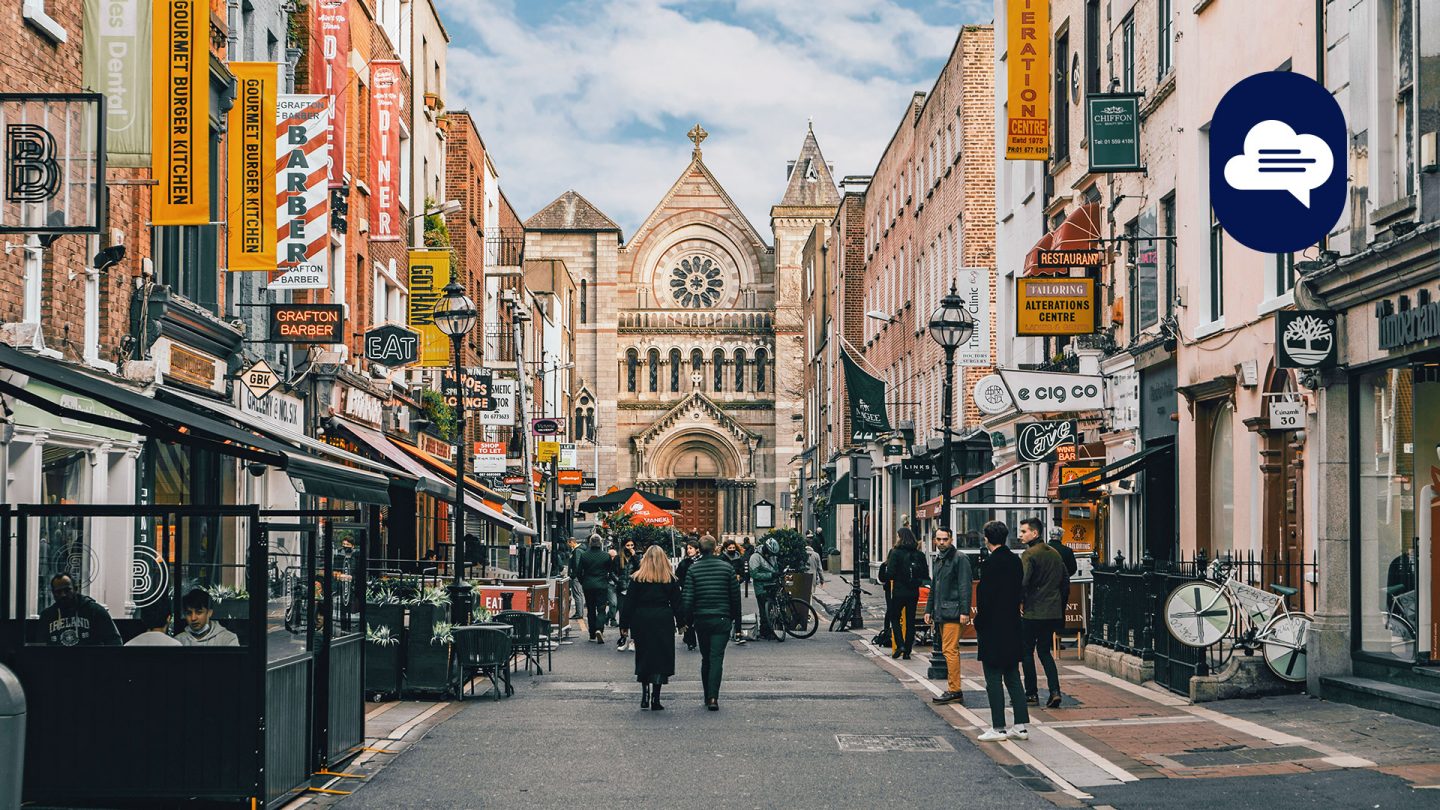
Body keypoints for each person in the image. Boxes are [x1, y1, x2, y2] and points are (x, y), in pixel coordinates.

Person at [975, 520, 1029, 742]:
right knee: (1013, 676)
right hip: (1013, 625)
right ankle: (1020, 725)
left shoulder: (990, 564)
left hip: (993, 628)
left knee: (993, 679)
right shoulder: (1015, 561)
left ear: (987, 538)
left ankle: (998, 727)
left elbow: (985, 600)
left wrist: (979, 622)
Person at [682, 535, 741, 711]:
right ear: (716, 548)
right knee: (716, 658)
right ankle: (713, 697)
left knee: (706, 658)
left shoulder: (694, 569)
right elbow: (735, 599)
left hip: (702, 619)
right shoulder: (727, 568)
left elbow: (687, 599)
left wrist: (685, 622)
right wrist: (737, 626)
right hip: (722, 619)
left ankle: (707, 695)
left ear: (699, 549)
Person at [620, 546, 683, 710]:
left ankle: (644, 694)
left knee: (644, 655)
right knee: (661, 656)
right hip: (663, 619)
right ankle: (656, 697)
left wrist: (624, 625)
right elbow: (677, 603)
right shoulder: (669, 578)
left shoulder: (637, 579)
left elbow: (629, 604)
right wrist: (682, 623)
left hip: (641, 619)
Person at [1019, 517, 1066, 708]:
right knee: (1045, 652)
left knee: (1027, 652)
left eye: (1024, 531)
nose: (1020, 535)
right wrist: (1060, 607)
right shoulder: (1055, 554)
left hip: (1033, 611)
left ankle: (1031, 693)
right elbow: (1065, 582)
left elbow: (1023, 581)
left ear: (1035, 533)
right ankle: (1055, 691)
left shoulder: (1029, 554)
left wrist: (1020, 602)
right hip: (1052, 611)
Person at [924, 527, 971, 704]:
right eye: (939, 539)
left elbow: (964, 587)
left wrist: (965, 612)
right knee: (950, 650)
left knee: (949, 650)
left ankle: (954, 689)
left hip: (953, 611)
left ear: (951, 539)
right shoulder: (939, 559)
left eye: (945, 539)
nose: (942, 542)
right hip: (942, 611)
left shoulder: (959, 558)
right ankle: (954, 688)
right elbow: (934, 587)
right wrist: (929, 610)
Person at [882, 527, 929, 660]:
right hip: (913, 592)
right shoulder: (919, 554)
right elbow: (925, 574)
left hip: (899, 591)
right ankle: (907, 650)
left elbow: (890, 573)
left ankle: (900, 644)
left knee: (894, 617)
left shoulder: (895, 553)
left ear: (901, 538)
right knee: (910, 621)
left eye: (898, 536)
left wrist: (885, 576)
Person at [40, 574, 121, 647]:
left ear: (76, 589)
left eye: (67, 590)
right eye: (58, 592)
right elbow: (40, 646)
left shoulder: (95, 611)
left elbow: (114, 641)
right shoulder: (47, 616)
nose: (63, 595)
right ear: (53, 593)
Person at [575, 535, 615, 643]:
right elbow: (611, 571)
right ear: (600, 543)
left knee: (591, 609)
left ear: (590, 543)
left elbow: (578, 572)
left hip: (588, 585)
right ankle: (599, 629)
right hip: (601, 585)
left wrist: (583, 581)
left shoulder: (584, 555)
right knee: (601, 609)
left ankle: (592, 634)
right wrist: (606, 580)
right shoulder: (606, 556)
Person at [674, 539, 702, 651]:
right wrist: (683, 585)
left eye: (691, 548)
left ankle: (690, 637)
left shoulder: (702, 562)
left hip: (700, 594)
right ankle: (691, 641)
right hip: (687, 593)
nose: (688, 550)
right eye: (687, 549)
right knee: (688, 618)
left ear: (697, 549)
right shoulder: (684, 563)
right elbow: (678, 577)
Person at [615, 539, 640, 651]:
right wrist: (618, 581)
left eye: (632, 545)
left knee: (634, 616)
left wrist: (635, 556)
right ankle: (623, 639)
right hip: (621, 590)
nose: (630, 547)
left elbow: (640, 569)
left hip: (633, 590)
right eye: (628, 545)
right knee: (623, 615)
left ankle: (633, 641)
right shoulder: (618, 558)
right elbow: (612, 572)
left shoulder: (636, 557)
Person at [721, 539, 748, 644]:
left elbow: (743, 573)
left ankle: (738, 633)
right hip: (724, 587)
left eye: (733, 548)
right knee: (726, 609)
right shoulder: (722, 558)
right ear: (725, 548)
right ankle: (726, 631)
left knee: (737, 610)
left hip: (735, 586)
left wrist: (740, 578)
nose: (732, 550)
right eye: (729, 548)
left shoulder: (739, 559)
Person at [566, 537, 585, 619]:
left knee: (577, 594)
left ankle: (579, 613)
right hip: (579, 576)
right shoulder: (580, 550)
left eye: (568, 543)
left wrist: (572, 575)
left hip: (576, 576)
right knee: (579, 594)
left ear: (572, 542)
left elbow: (576, 565)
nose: (568, 545)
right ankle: (580, 612)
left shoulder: (576, 551)